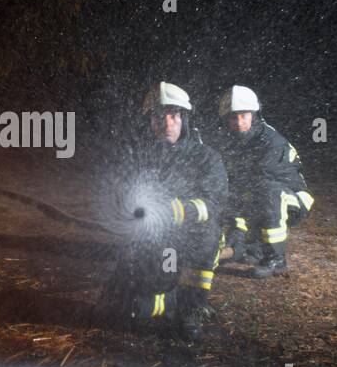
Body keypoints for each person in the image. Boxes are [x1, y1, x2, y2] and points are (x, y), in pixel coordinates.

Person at [106, 82, 228, 339]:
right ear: (150, 122)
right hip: (156, 237)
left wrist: (173, 210)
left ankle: (191, 309)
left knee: (209, 234)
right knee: (124, 311)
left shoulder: (206, 157)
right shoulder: (142, 156)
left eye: (173, 115)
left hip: (194, 236)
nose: (166, 123)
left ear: (184, 118)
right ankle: (168, 299)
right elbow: (123, 193)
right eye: (158, 116)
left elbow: (213, 204)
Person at [215, 85, 313, 278]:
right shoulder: (232, 141)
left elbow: (254, 185)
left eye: (244, 115)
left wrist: (240, 226)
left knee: (267, 193)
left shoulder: (269, 141)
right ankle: (251, 250)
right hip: (258, 196)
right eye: (233, 117)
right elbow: (230, 183)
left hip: (292, 198)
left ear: (255, 114)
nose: (239, 121)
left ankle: (276, 259)